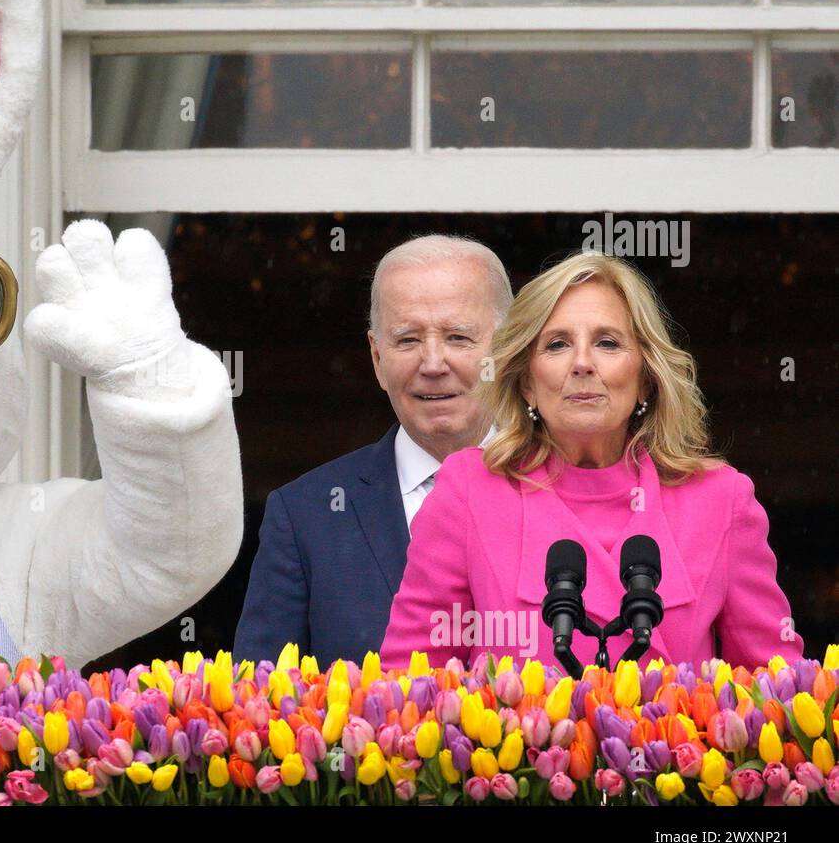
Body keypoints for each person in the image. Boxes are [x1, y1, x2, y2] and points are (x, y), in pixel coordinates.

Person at [380, 251, 804, 672]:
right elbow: (409, 686)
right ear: (526, 382)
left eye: (607, 343)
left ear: (646, 378)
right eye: (558, 344)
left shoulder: (719, 498)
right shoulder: (469, 489)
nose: (582, 364)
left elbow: (777, 692)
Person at [234, 235, 512, 666]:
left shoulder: (564, 487)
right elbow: (259, 707)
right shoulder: (305, 515)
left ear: (508, 349)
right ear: (377, 357)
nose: (434, 363)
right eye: (407, 341)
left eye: (458, 337)